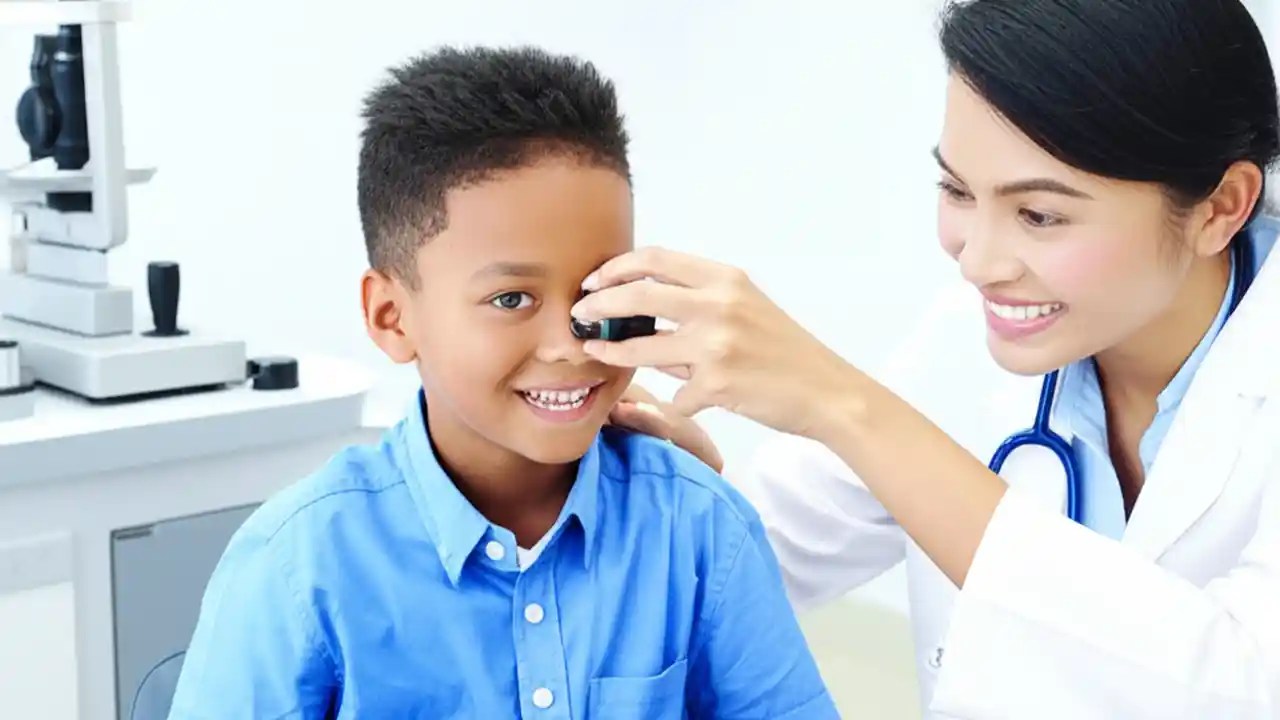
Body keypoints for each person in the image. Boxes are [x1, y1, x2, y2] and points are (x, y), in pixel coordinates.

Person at [579, 1, 1280, 717]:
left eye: (1039, 215)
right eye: (955, 191)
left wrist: (843, 407)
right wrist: (691, 507)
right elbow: (751, 569)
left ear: (1221, 207)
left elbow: (1245, 689)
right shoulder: (969, 346)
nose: (977, 262)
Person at [167, 46, 838, 719]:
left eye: (598, 291)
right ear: (392, 316)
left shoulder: (700, 531)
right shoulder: (296, 568)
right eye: (512, 299)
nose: (569, 346)